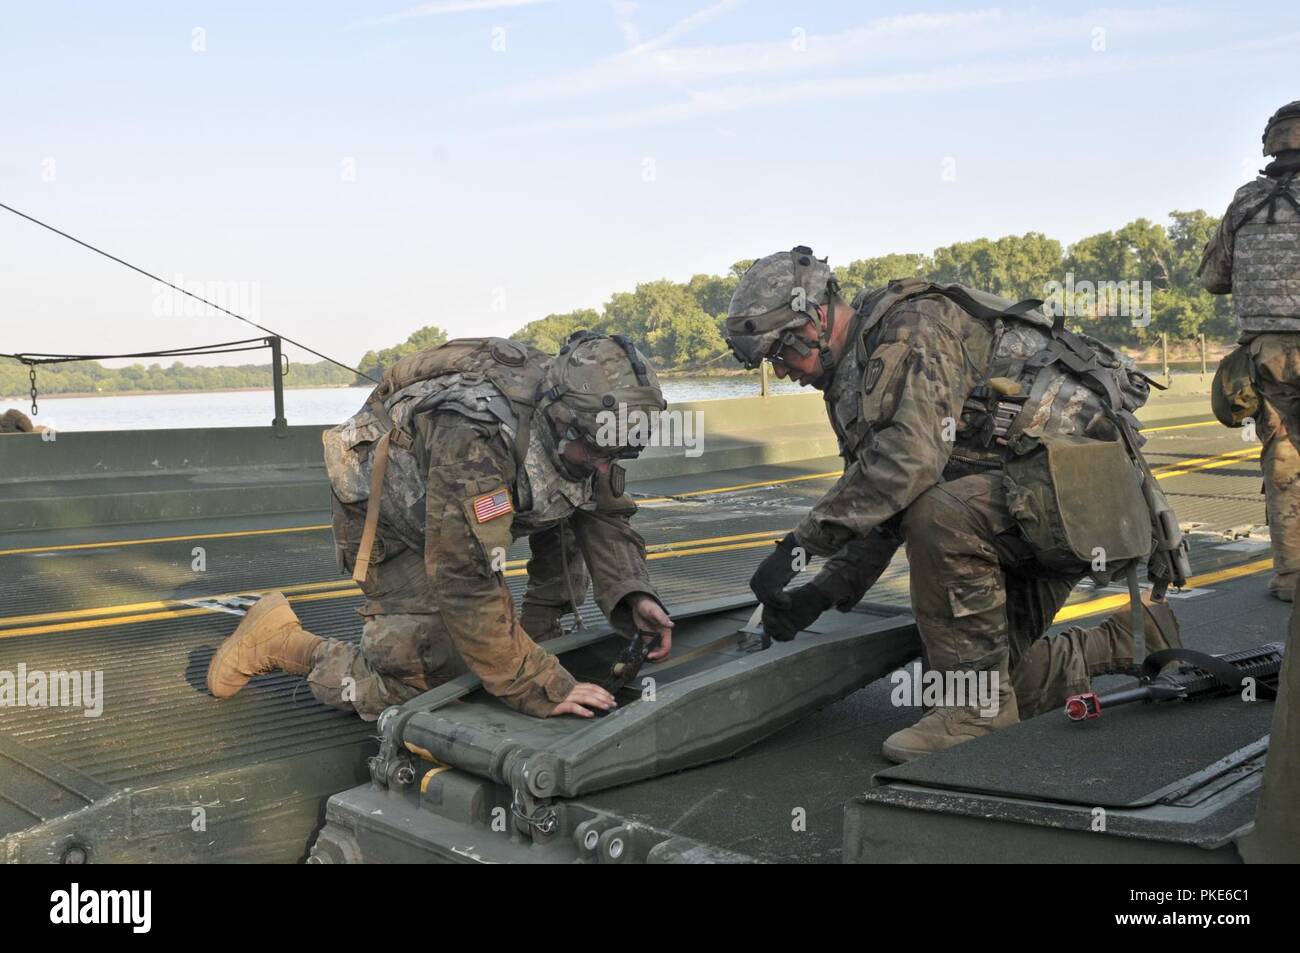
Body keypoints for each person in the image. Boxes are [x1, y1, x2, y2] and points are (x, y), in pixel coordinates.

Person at [724, 247, 1183, 762]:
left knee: (938, 515)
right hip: (1018, 515)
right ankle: (1124, 642)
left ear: (816, 318)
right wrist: (820, 592)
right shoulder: (852, 379)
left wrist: (798, 546)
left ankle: (976, 716)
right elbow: (879, 505)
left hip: (1074, 505)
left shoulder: (913, 325)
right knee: (954, 683)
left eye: (782, 353)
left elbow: (909, 465)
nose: (782, 372)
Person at [207, 332, 673, 720]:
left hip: (465, 505)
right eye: (595, 451)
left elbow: (606, 512)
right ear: (559, 420)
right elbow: (464, 576)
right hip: (395, 515)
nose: (602, 464)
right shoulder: (473, 434)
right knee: (425, 676)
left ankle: (526, 642)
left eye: (617, 453)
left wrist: (634, 594)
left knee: (570, 522)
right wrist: (537, 684)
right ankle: (282, 640)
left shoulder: (598, 430)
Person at [1200, 101, 1300, 602]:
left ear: (1271, 144)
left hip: (1268, 354)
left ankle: (1290, 577)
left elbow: (1214, 277)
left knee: (1282, 460)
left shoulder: (1246, 200)